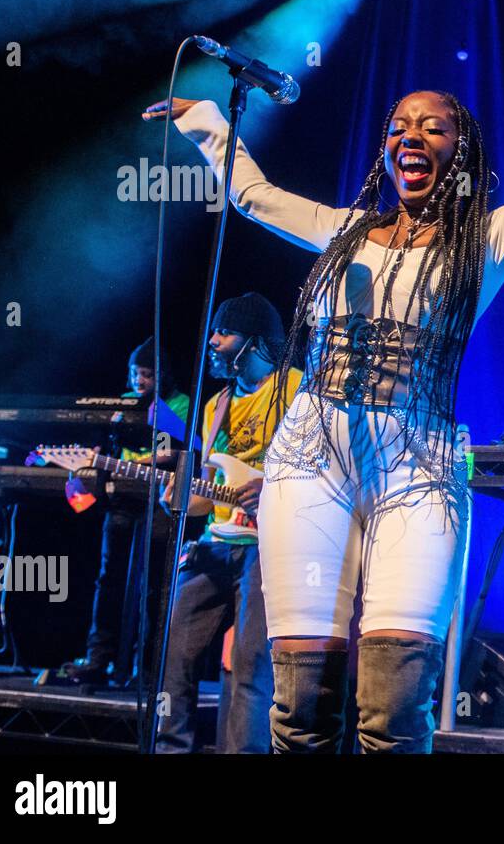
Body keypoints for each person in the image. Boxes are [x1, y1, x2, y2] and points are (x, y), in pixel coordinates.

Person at [144, 0, 504, 753]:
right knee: (301, 708)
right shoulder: (343, 232)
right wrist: (205, 120)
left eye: (432, 125)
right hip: (312, 457)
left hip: (416, 464)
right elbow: (252, 195)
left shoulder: (485, 241)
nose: (409, 137)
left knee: (393, 710)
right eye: (397, 127)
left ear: (462, 148)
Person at [155, 292, 303, 753]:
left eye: (224, 332)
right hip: (216, 542)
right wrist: (178, 500)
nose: (213, 341)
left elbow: (322, 469)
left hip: (268, 546)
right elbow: (205, 492)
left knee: (250, 665)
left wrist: (275, 487)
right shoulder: (213, 406)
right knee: (172, 654)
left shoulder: (298, 388)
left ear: (255, 342)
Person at [59, 338, 190, 689]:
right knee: (109, 577)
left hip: (157, 498)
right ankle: (99, 658)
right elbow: (106, 445)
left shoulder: (176, 403)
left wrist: (138, 459)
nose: (140, 380)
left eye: (147, 374)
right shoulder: (122, 406)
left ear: (162, 375)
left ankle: (147, 668)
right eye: (136, 373)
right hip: (121, 498)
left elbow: (174, 450)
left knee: (153, 583)